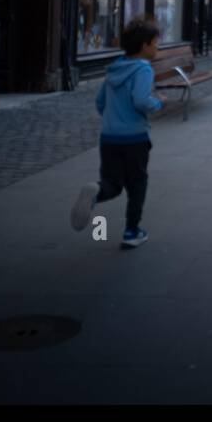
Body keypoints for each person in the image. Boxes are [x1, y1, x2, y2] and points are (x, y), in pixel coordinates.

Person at [71, 17, 163, 249]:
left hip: (109, 138)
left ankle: (96, 192)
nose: (157, 48)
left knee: (112, 184)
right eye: (156, 43)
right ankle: (132, 231)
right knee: (137, 183)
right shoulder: (143, 69)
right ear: (144, 46)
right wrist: (157, 103)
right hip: (134, 138)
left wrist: (113, 120)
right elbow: (141, 101)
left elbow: (100, 101)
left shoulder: (116, 67)